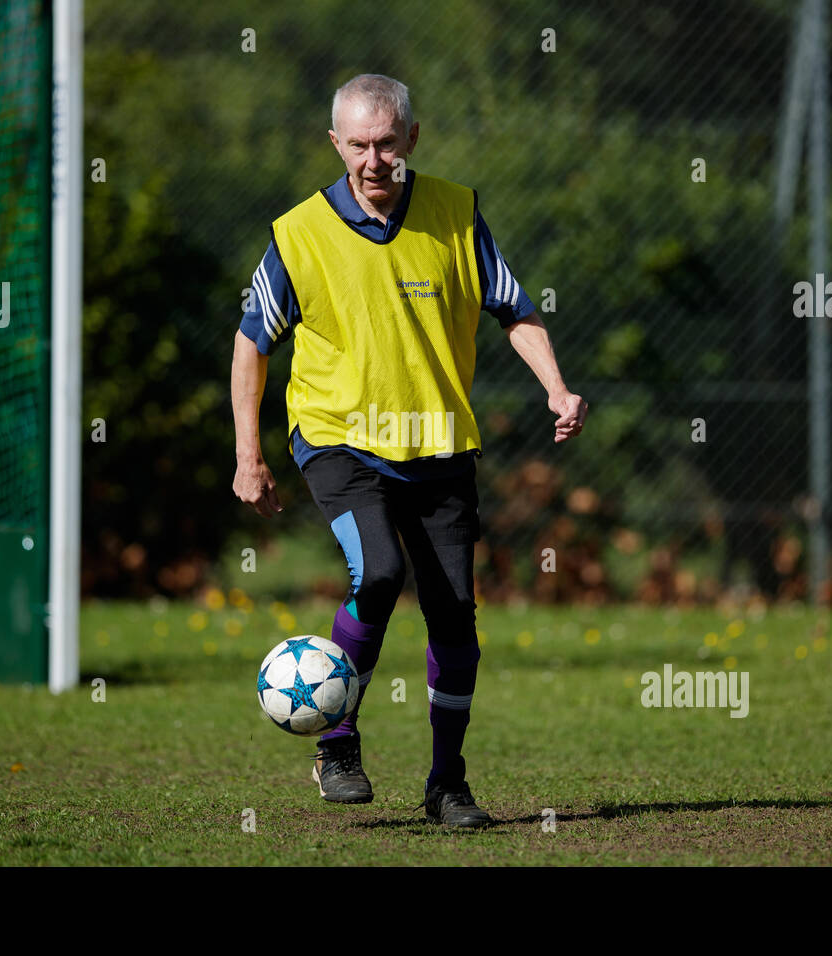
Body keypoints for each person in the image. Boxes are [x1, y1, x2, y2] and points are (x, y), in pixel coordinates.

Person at [231, 73, 586, 827]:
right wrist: (248, 457)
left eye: (387, 143)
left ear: (412, 140)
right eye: (357, 145)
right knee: (381, 570)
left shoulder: (457, 213)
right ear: (336, 144)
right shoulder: (297, 234)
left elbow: (514, 309)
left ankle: (447, 783)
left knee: (455, 612)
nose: (373, 160)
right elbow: (250, 346)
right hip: (338, 439)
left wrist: (556, 387)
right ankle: (337, 738)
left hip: (439, 442)